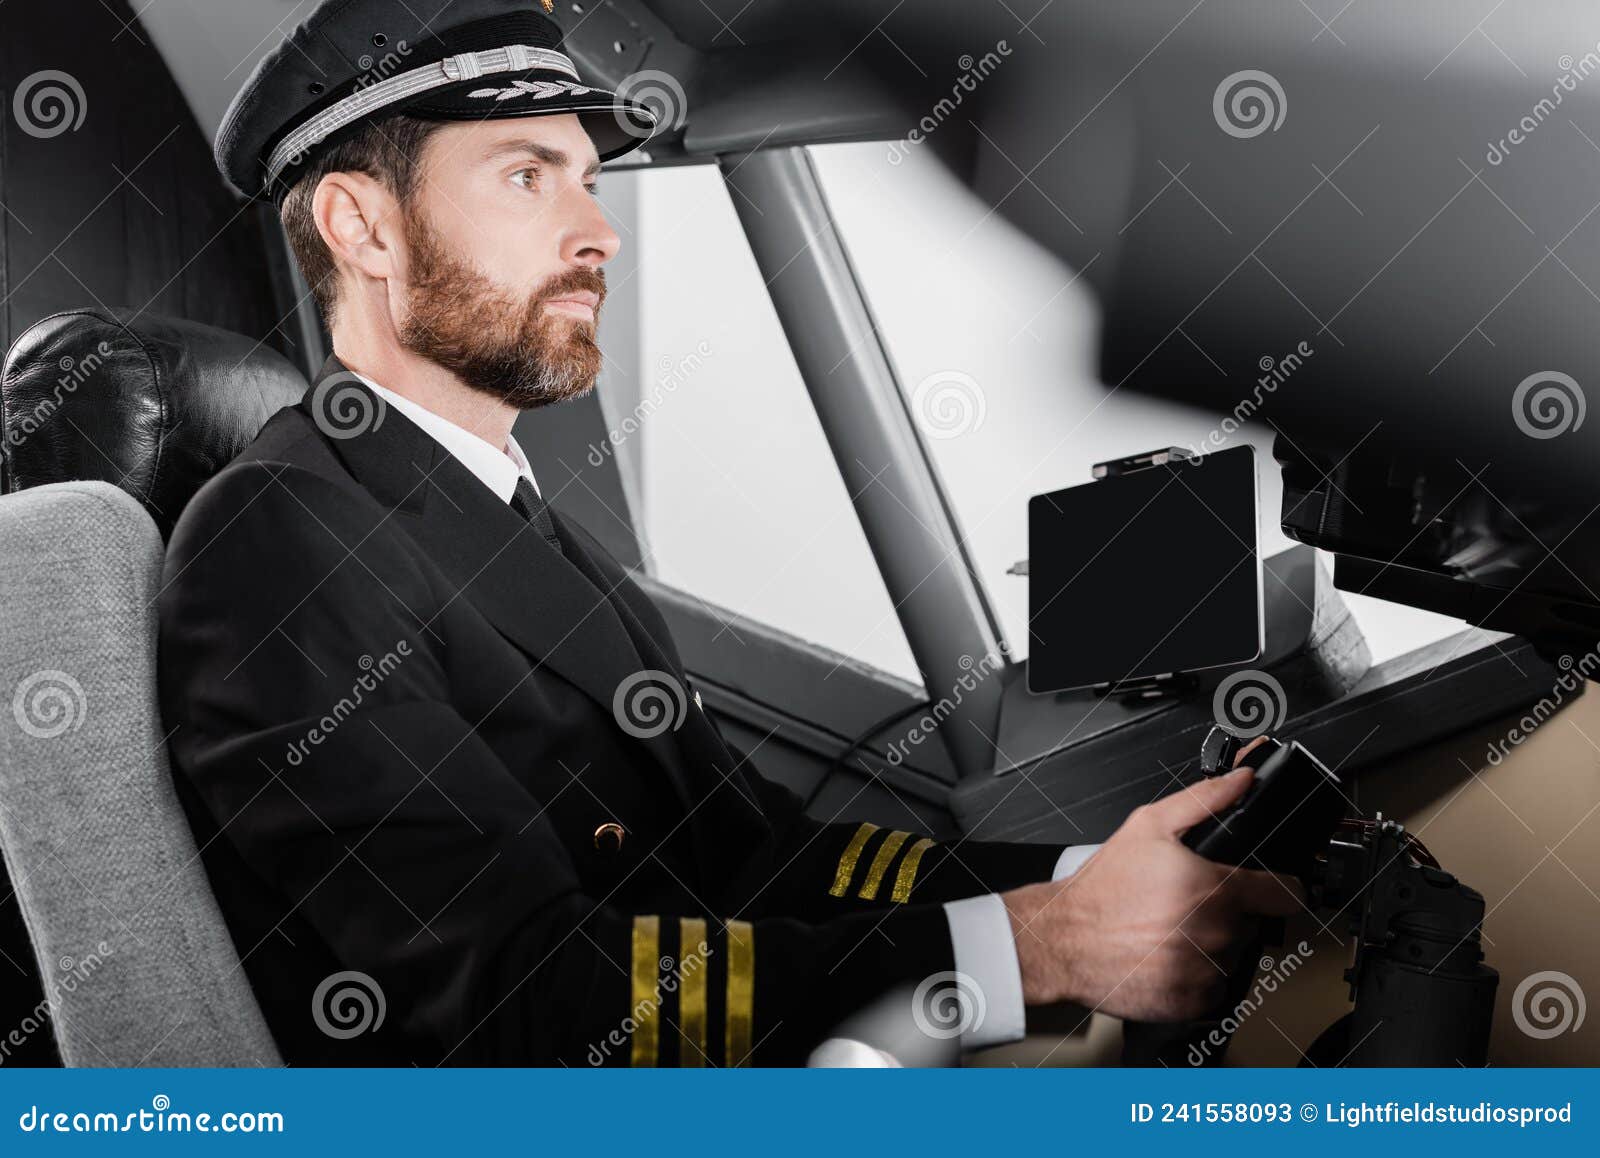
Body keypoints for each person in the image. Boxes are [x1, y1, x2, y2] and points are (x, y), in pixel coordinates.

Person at [159, 0, 1301, 1066]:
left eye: (591, 182)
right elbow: (517, 999)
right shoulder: (276, 542)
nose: (600, 231)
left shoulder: (509, 518)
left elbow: (757, 857)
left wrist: (1083, 877)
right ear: (360, 225)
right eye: (527, 176)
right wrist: (1036, 947)